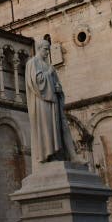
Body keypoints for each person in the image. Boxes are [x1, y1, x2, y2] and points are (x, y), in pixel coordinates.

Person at [25, 39, 77, 170]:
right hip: (42, 103)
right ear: (39, 48)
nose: (48, 52)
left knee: (59, 127)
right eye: (45, 49)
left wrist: (58, 88)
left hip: (53, 101)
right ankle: (48, 154)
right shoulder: (32, 63)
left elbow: (56, 83)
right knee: (47, 128)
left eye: (48, 49)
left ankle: (60, 154)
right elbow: (37, 83)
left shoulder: (47, 65)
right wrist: (49, 73)